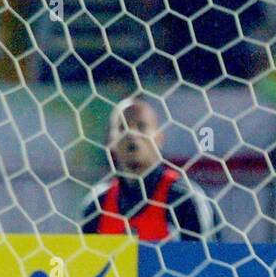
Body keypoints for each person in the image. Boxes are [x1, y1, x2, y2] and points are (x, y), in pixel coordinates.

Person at [81, 97, 218, 240]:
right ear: (110, 141)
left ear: (159, 138)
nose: (131, 134)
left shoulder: (186, 199)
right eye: (123, 127)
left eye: (141, 126)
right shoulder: (96, 205)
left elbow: (207, 259)